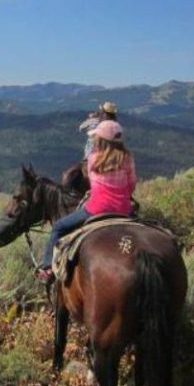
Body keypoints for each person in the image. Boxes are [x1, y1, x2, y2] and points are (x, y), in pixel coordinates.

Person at [37, 119, 136, 281]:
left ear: (101, 139)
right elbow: (132, 184)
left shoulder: (93, 157)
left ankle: (47, 268)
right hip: (124, 209)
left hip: (96, 208)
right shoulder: (128, 157)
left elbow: (93, 182)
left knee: (58, 228)